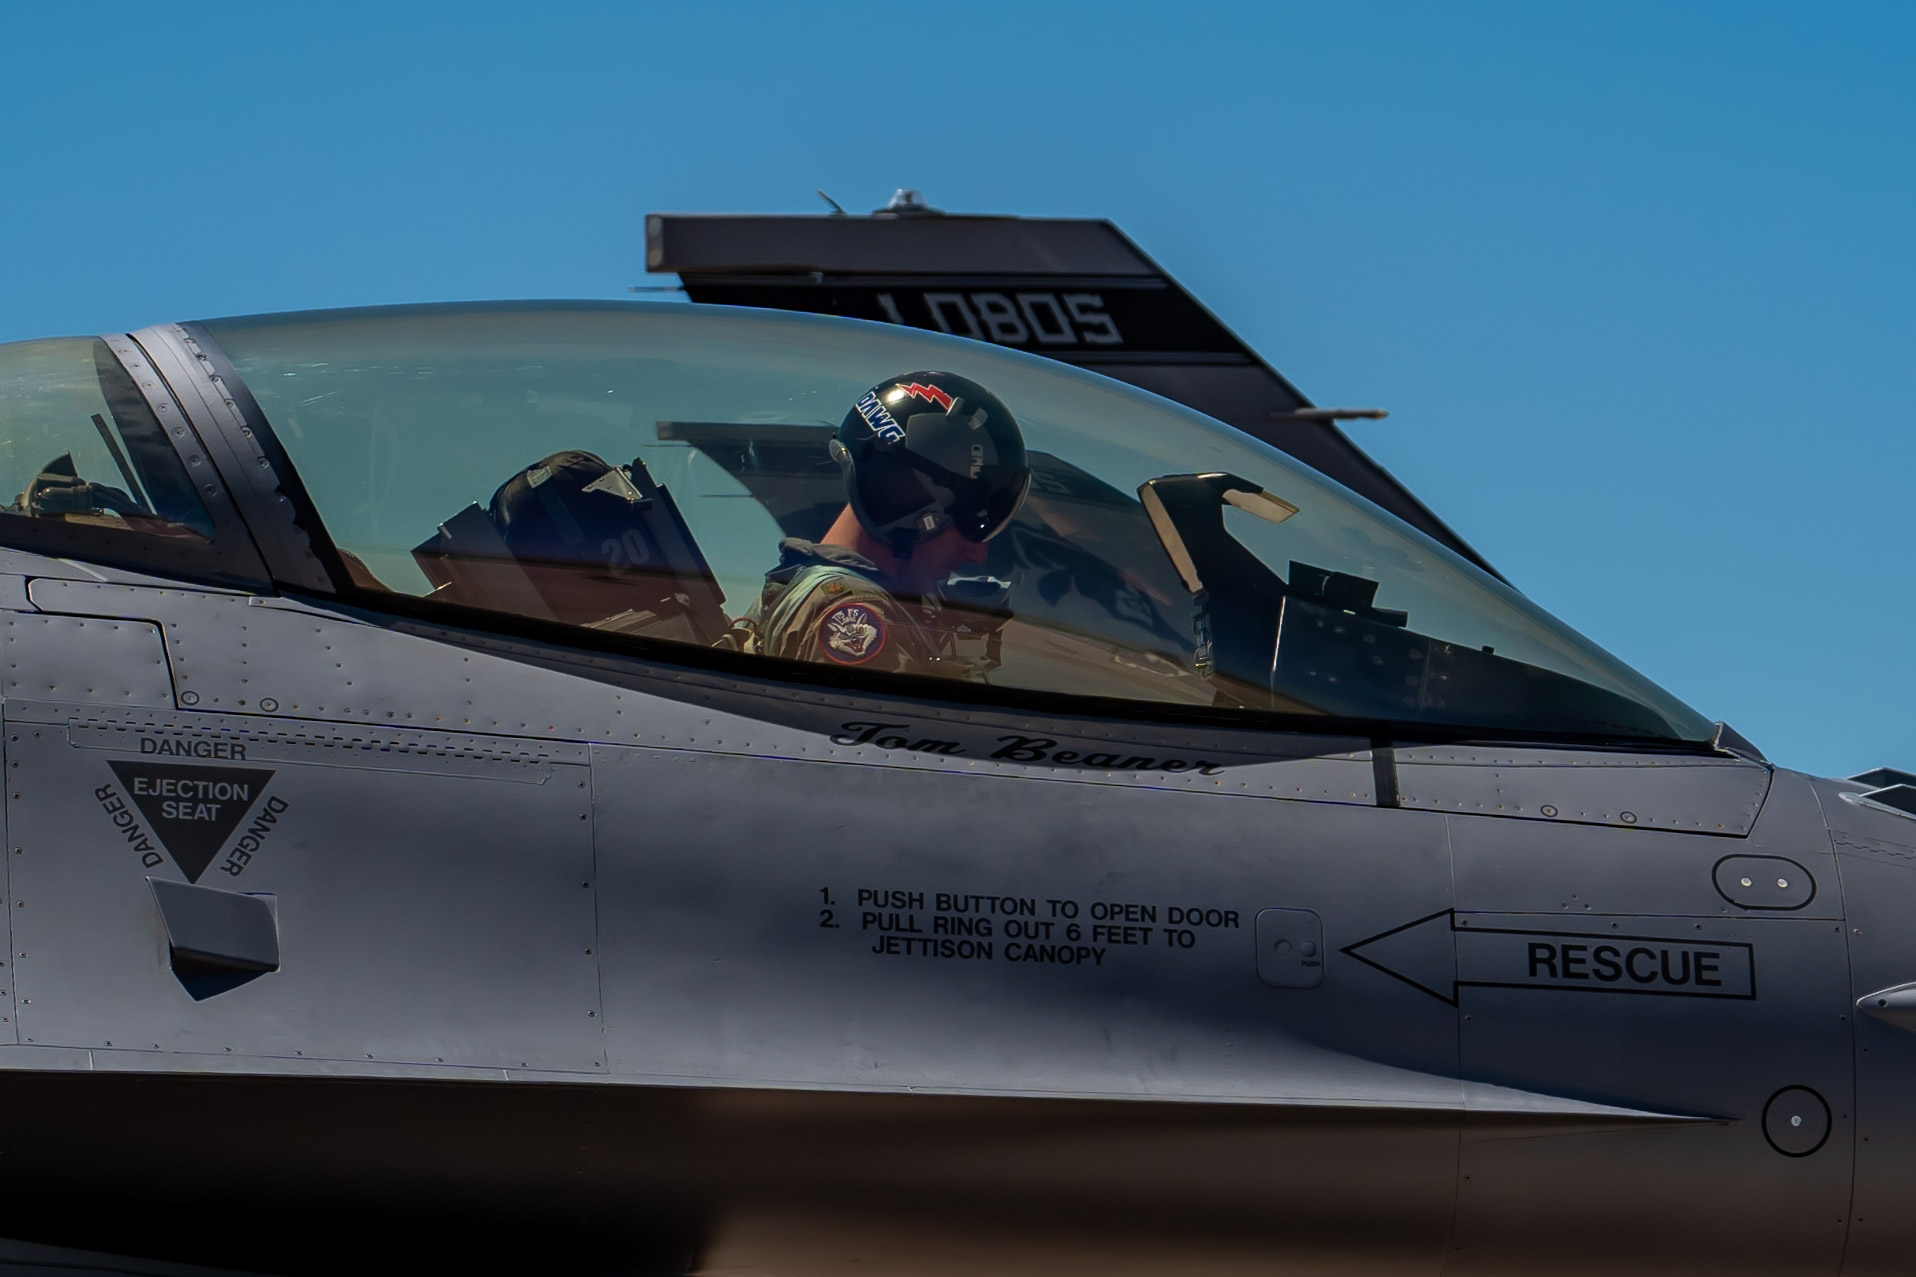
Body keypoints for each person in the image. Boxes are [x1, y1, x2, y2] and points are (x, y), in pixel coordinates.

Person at [729, 370, 1030, 676]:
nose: (977, 555)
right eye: (966, 522)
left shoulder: (814, 589)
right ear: (903, 499)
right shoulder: (855, 617)